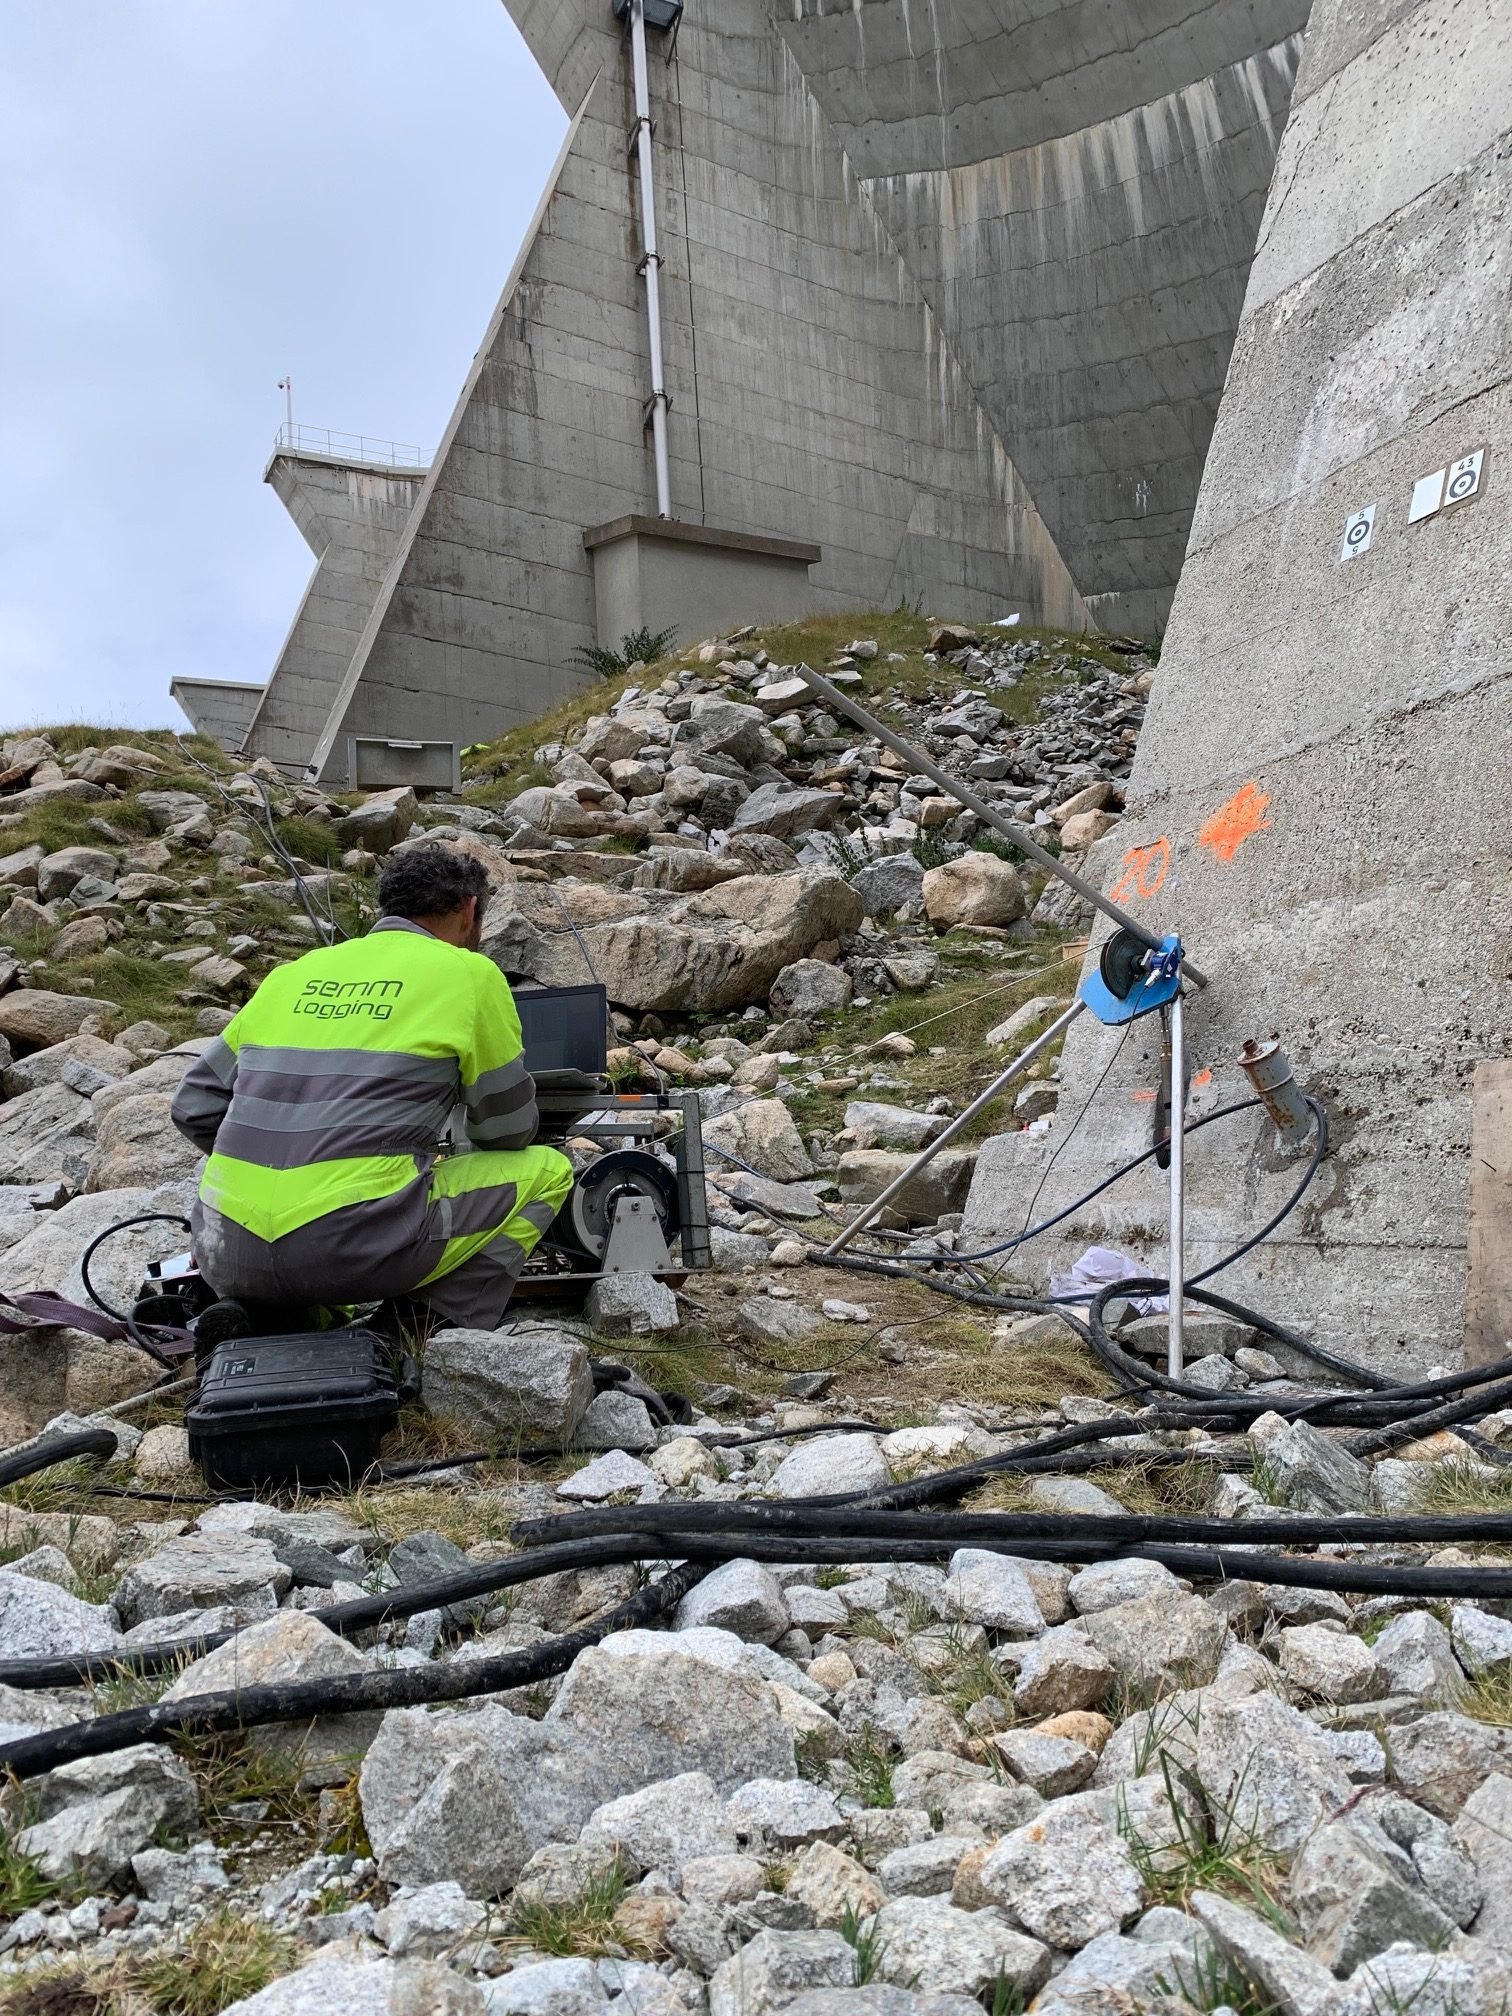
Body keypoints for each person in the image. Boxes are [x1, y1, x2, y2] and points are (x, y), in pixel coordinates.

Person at [169, 844, 573, 1331]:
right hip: (352, 1251)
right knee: (549, 1170)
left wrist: (279, 1160)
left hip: (224, 1251)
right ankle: (410, 1331)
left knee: (304, 1260)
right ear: (470, 910)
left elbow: (193, 1106)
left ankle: (282, 1316)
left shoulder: (291, 975)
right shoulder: (470, 974)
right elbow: (506, 1133)